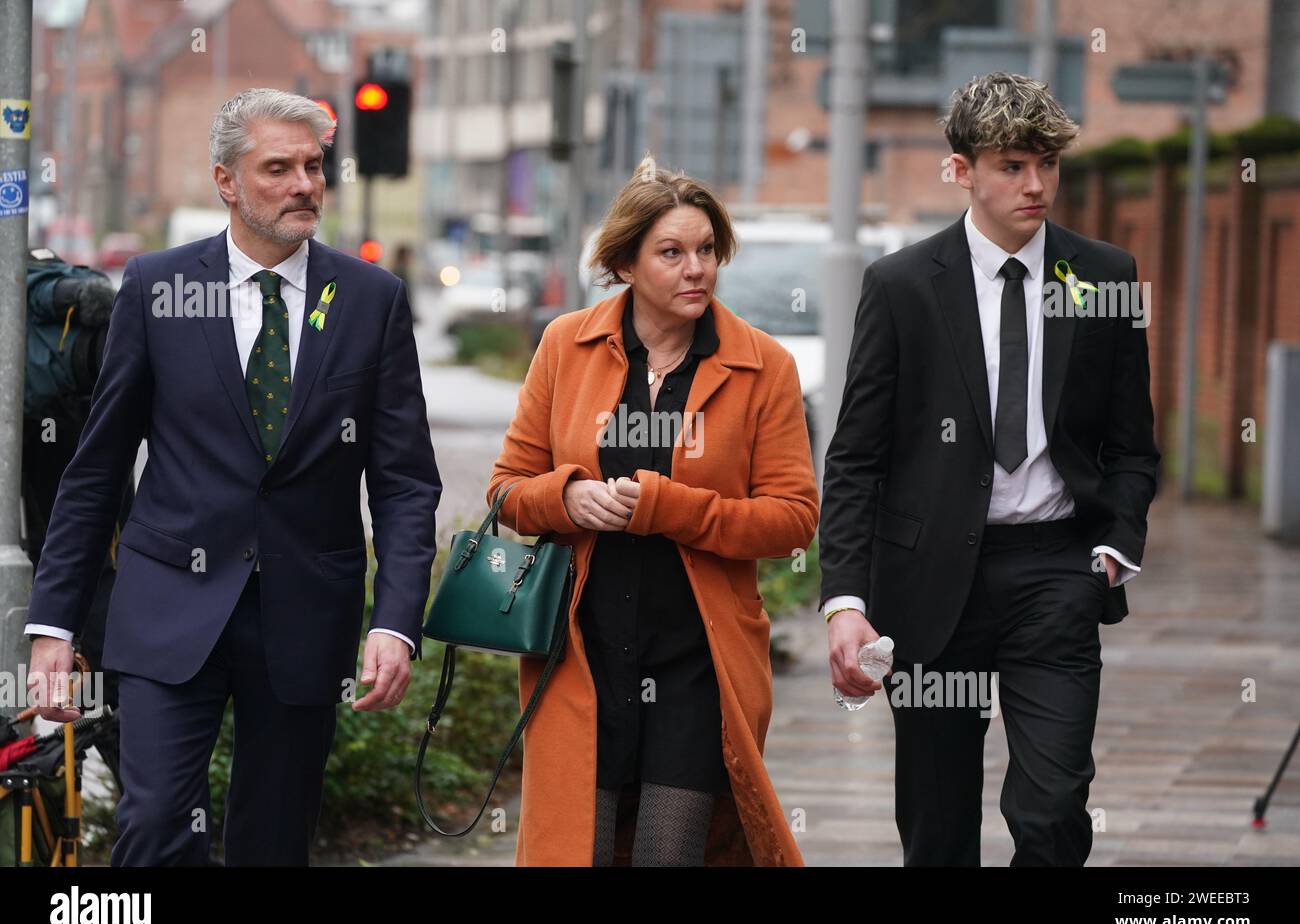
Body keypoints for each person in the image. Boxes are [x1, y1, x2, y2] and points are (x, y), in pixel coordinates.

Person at [23, 88, 442, 866]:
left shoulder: (371, 301)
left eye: (313, 166)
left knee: (272, 842)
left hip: (304, 611)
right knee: (154, 828)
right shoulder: (157, 287)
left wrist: (395, 620)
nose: (303, 184)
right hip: (166, 608)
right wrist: (55, 624)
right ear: (226, 181)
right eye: (277, 167)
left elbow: (405, 480)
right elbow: (99, 465)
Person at [819, 72, 1160, 866]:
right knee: (937, 832)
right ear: (961, 169)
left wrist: (1113, 550)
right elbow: (857, 456)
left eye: (1047, 162)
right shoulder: (902, 285)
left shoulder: (1103, 277)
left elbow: (1133, 443)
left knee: (1052, 813)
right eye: (1011, 164)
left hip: (1056, 574)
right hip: (930, 584)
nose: (1035, 184)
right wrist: (844, 601)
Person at [488, 156, 818, 866]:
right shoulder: (565, 346)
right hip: (581, 655)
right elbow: (507, 489)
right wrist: (568, 497)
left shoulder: (764, 366)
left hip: (698, 665)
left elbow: (793, 518)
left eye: (707, 251)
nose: (696, 268)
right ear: (625, 264)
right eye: (671, 253)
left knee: (670, 853)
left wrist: (669, 508)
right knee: (580, 850)